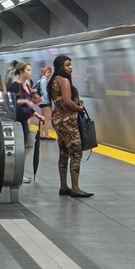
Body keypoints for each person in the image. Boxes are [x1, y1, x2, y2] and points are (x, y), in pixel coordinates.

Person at [48, 54, 93, 198]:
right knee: (76, 152)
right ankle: (75, 188)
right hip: (68, 122)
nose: (70, 67)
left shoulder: (54, 80)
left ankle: (64, 186)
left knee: (64, 153)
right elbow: (68, 102)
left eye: (70, 65)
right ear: (60, 66)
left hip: (58, 121)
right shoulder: (64, 81)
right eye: (67, 65)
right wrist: (79, 108)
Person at [9, 61, 43, 181]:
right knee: (18, 148)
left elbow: (28, 104)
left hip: (23, 120)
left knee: (21, 148)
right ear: (21, 72)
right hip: (16, 121)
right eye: (28, 70)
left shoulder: (27, 86)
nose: (31, 72)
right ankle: (16, 174)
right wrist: (25, 102)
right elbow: (10, 102)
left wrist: (36, 114)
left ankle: (19, 173)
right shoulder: (15, 86)